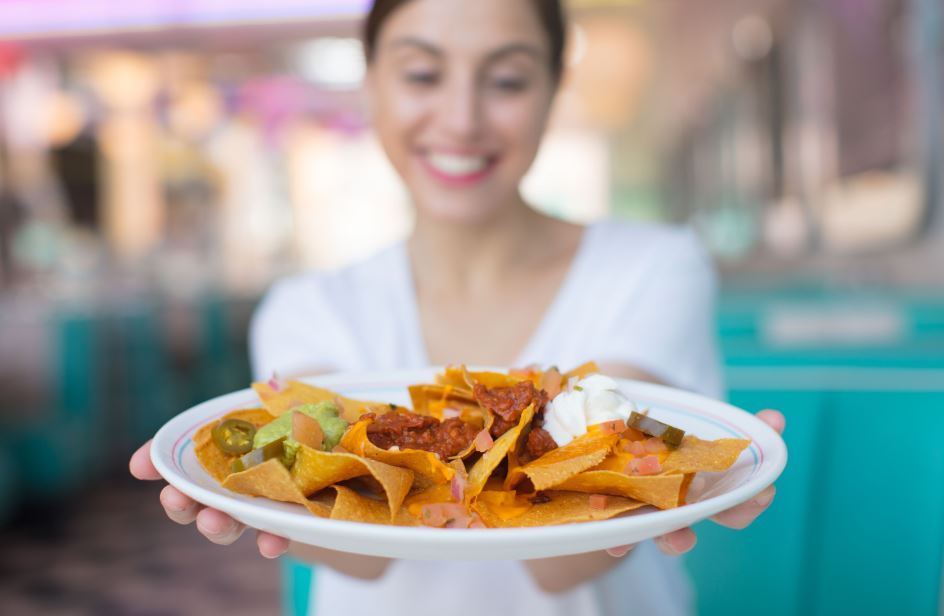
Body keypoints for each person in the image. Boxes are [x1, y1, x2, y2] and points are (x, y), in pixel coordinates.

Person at [130, 0, 785, 614]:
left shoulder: (654, 268)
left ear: (555, 89)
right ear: (373, 85)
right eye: (422, 74)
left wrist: (676, 491)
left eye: (506, 81)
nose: (463, 118)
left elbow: (561, 558)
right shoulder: (305, 308)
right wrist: (252, 503)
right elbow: (362, 558)